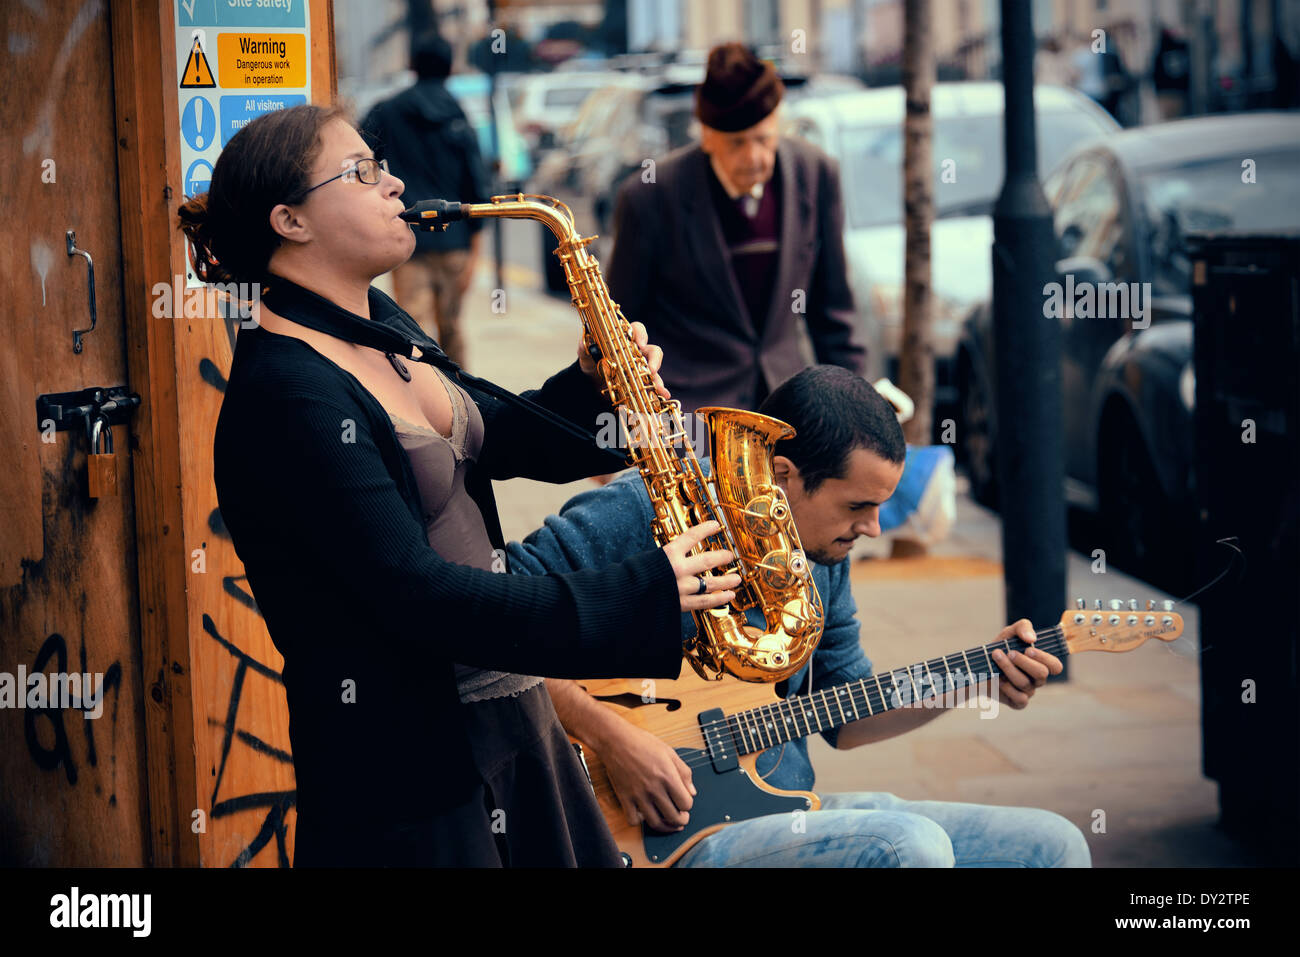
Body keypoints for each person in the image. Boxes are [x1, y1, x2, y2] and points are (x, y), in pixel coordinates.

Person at [182, 103, 742, 867]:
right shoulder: (289, 397)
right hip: (413, 780)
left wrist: (594, 383)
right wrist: (646, 586)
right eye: (364, 172)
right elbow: (420, 596)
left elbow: (499, 435)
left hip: (513, 725)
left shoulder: (376, 320)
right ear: (291, 221)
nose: (397, 183)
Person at [507, 367, 1092, 867]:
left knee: (1054, 845)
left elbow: (847, 714)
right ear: (782, 476)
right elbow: (492, 624)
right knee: (908, 849)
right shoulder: (641, 510)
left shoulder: (819, 553)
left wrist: (977, 677)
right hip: (654, 840)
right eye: (858, 506)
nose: (873, 530)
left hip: (783, 811)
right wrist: (609, 737)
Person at [606, 43, 866, 415]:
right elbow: (622, 326)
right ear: (707, 136)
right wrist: (617, 426)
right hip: (689, 418)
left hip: (786, 406)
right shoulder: (648, 195)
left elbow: (835, 313)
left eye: (764, 139)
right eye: (737, 143)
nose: (754, 158)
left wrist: (854, 415)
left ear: (778, 124)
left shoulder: (816, 173)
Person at [359, 31, 488, 369]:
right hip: (456, 240)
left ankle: (419, 401)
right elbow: (477, 186)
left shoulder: (386, 112)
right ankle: (464, 398)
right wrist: (475, 250)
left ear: (412, 65)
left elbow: (357, 162)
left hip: (408, 235)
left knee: (410, 330)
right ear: (449, 68)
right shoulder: (458, 115)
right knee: (452, 327)